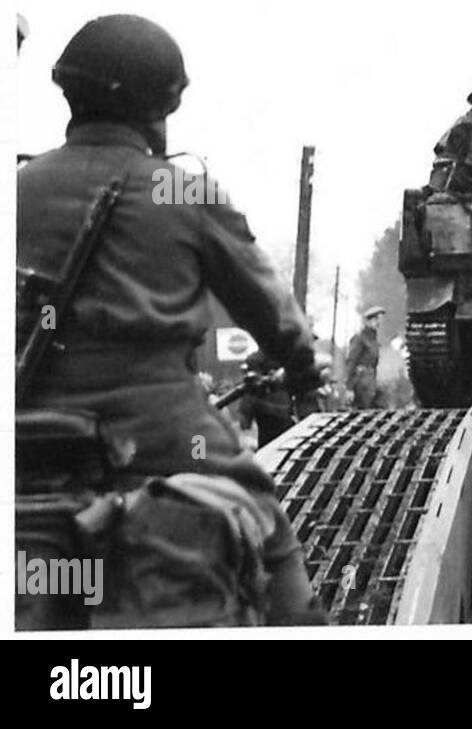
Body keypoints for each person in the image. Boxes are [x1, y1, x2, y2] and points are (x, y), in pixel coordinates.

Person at [15, 14, 322, 628]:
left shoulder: (17, 186)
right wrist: (302, 364)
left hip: (27, 438)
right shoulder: (179, 191)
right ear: (164, 103)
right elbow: (277, 320)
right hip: (161, 436)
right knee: (268, 529)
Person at [347, 306, 389, 410]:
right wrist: (349, 388)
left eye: (379, 320)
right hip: (361, 381)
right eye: (376, 320)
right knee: (363, 411)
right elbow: (351, 362)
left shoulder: (373, 339)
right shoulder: (360, 338)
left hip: (371, 380)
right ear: (370, 321)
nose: (378, 323)